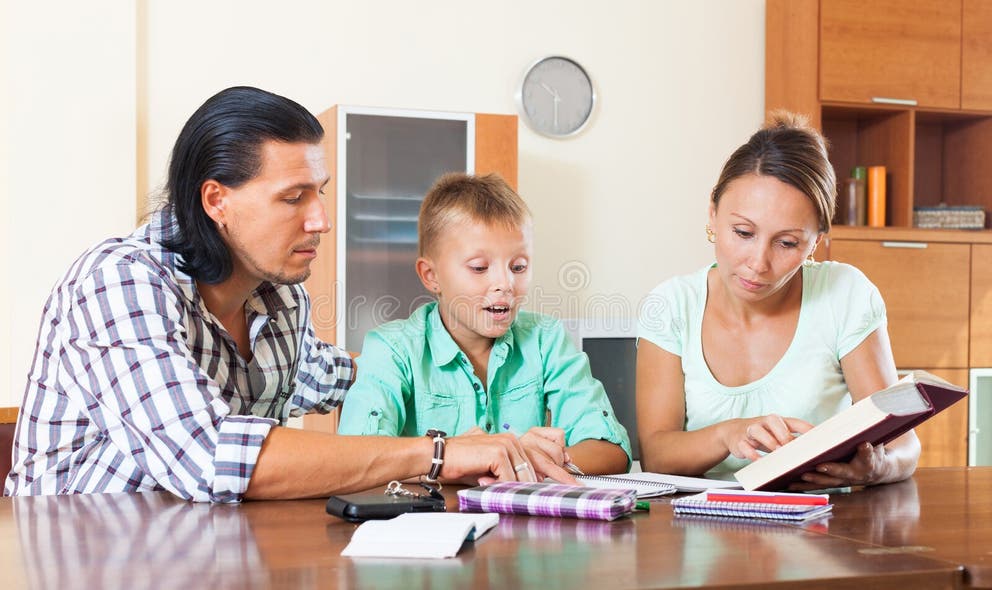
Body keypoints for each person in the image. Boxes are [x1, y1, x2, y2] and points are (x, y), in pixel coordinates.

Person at [4, 86, 558, 503]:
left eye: (318, 192)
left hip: (203, 551)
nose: (320, 220)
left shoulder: (279, 298)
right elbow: (210, 456)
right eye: (293, 197)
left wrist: (464, 347)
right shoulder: (119, 283)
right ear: (217, 201)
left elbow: (338, 374)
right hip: (73, 556)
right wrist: (442, 451)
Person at [636, 111, 920, 488]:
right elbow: (657, 454)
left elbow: (903, 445)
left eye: (787, 243)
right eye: (742, 232)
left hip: (824, 527)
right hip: (705, 529)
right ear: (712, 214)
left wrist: (878, 467)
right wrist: (728, 434)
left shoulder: (846, 295)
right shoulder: (671, 306)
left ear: (815, 242)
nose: (758, 263)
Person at [337, 172, 631, 477]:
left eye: (519, 267)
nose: (505, 283)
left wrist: (523, 459)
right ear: (431, 276)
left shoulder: (546, 339)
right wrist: (459, 458)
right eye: (479, 268)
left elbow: (612, 450)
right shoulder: (392, 349)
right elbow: (358, 459)